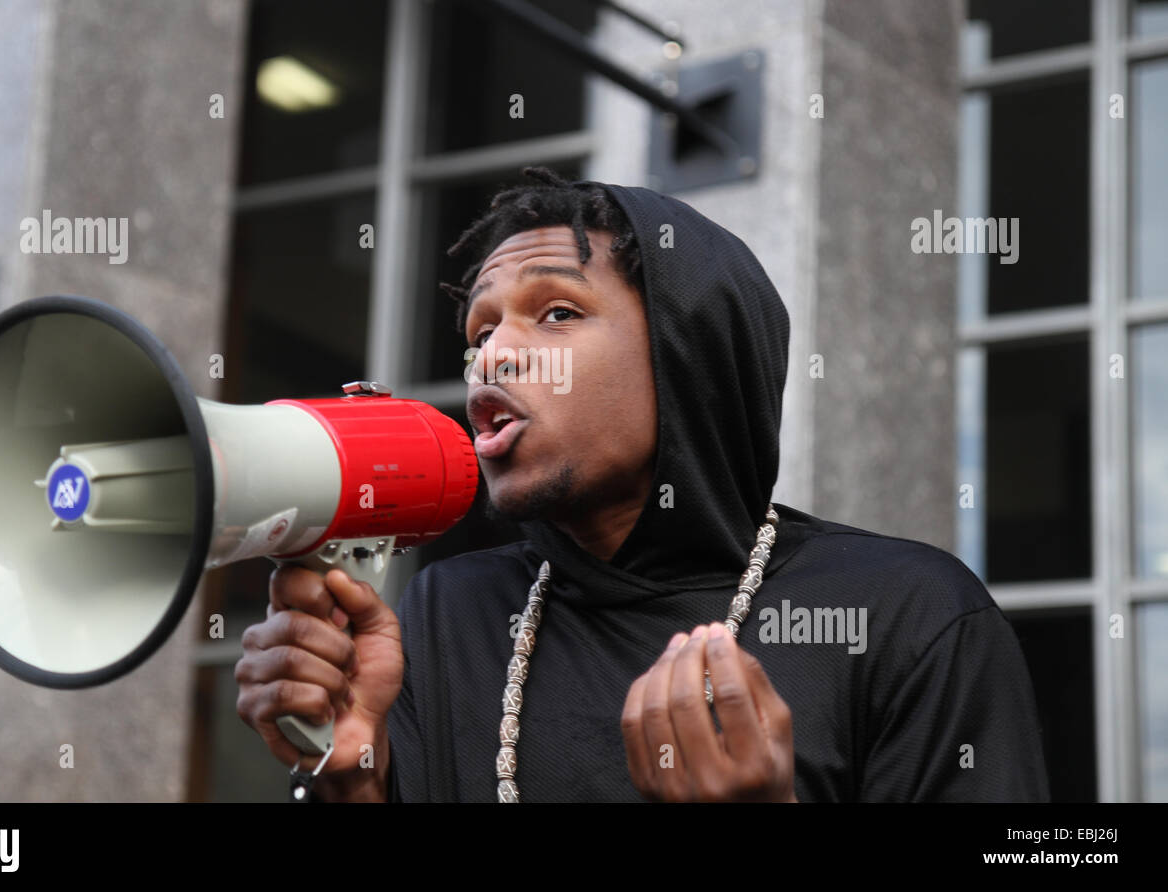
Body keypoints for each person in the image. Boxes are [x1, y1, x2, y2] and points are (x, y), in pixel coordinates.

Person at [234, 167, 1050, 802]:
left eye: (556, 313)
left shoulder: (909, 615)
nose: (494, 355)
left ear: (686, 352)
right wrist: (350, 778)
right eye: (480, 330)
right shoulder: (449, 612)